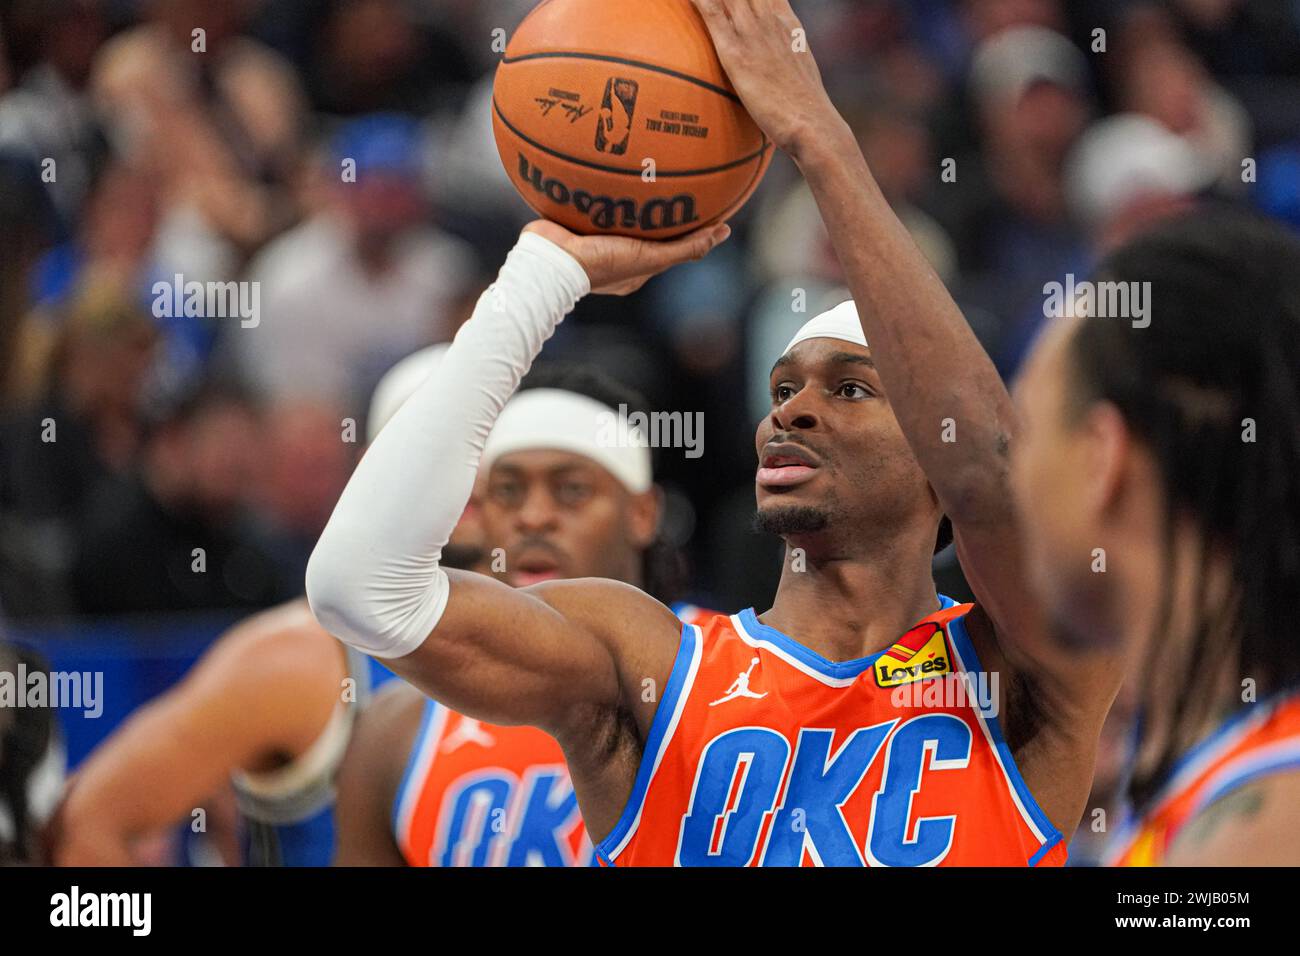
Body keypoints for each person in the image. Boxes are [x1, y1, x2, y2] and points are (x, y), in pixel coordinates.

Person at [307, 0, 1120, 866]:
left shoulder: (1015, 673)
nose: (792, 412)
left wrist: (819, 138)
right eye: (782, 389)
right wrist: (541, 278)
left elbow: (988, 471)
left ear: (934, 458)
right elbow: (361, 590)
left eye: (850, 389)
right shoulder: (653, 665)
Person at [52, 347, 472, 866]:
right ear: (371, 471)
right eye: (442, 462)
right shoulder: (298, 660)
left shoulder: (559, 653)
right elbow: (86, 822)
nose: (466, 491)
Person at [1009, 210, 1300, 865]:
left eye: (1026, 430)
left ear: (1101, 458)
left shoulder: (1251, 837)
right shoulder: (1213, 780)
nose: (1012, 482)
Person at [334, 365, 712, 866]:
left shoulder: (726, 672)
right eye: (508, 491)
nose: (533, 517)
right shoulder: (395, 726)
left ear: (642, 513)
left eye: (571, 490)